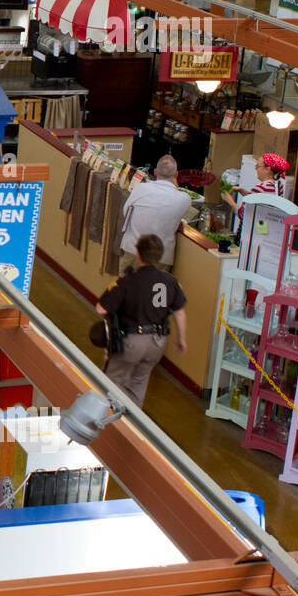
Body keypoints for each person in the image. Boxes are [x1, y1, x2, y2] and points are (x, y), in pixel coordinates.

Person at [96, 234, 187, 407]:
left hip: (132, 340)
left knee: (111, 384)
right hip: (158, 342)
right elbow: (179, 312)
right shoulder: (170, 281)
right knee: (138, 384)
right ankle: (131, 427)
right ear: (160, 255)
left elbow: (101, 308)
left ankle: (109, 424)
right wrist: (181, 339)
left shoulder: (128, 281)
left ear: (138, 254)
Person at [119, 155, 193, 270]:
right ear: (176, 174)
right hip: (160, 256)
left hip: (133, 248)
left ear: (155, 172)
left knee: (127, 287)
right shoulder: (184, 198)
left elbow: (126, 212)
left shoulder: (140, 188)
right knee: (153, 287)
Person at [227, 152, 290, 227]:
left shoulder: (260, 188)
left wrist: (229, 200)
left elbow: (243, 214)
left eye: (258, 166)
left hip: (257, 231)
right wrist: (242, 191)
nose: (255, 168)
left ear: (267, 169)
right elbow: (263, 201)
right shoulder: (278, 186)